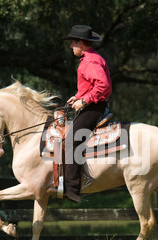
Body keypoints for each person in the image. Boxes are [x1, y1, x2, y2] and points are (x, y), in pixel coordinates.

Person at [62, 25, 112, 202]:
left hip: (93, 107)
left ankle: (72, 189)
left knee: (71, 140)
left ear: (81, 43)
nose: (71, 46)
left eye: (73, 43)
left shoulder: (90, 61)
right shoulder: (90, 59)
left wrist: (84, 101)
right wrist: (77, 97)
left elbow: (103, 86)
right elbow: (91, 86)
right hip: (92, 105)